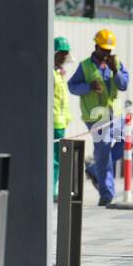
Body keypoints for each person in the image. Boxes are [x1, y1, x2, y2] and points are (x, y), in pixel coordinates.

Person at [67, 28, 131, 207]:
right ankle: (107, 194)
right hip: (96, 118)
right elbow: (72, 86)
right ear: (96, 47)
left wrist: (115, 71)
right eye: (104, 50)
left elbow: (124, 85)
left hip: (115, 115)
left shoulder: (115, 64)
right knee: (103, 153)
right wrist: (88, 87)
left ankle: (95, 169)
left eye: (109, 50)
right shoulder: (85, 66)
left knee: (128, 141)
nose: (106, 54)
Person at [52, 36, 72, 195]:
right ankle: (51, 190)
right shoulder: (51, 73)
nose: (64, 57)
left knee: (57, 159)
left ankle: (54, 188)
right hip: (54, 121)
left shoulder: (58, 72)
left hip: (61, 121)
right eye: (62, 54)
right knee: (54, 160)